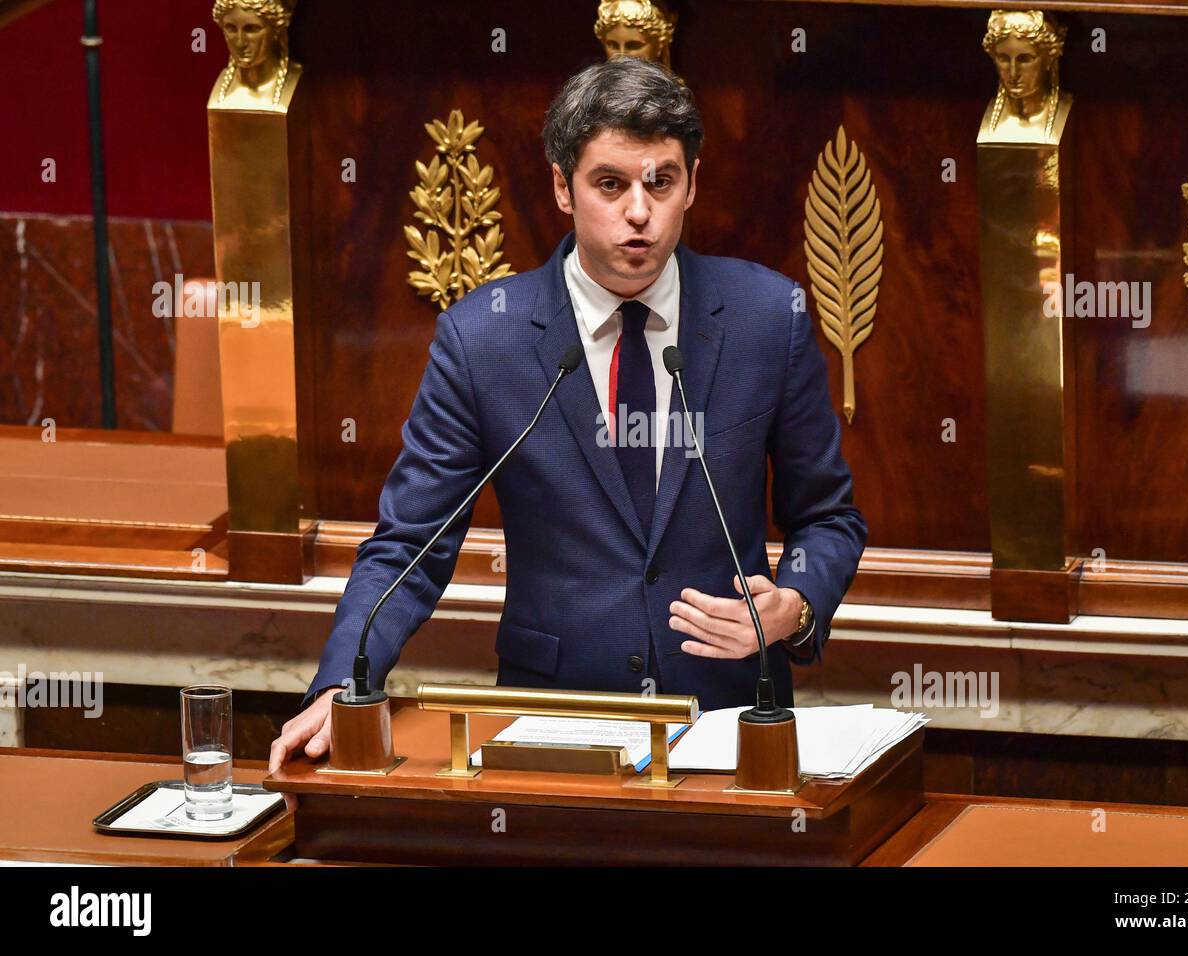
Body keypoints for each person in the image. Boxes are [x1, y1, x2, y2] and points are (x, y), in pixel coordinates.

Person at [269, 57, 867, 773]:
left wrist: (794, 606)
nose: (638, 212)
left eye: (661, 182)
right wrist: (343, 682)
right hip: (551, 723)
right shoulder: (483, 339)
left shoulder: (769, 319)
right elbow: (409, 546)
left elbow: (828, 518)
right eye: (610, 184)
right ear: (563, 186)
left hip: (730, 720)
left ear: (692, 185)